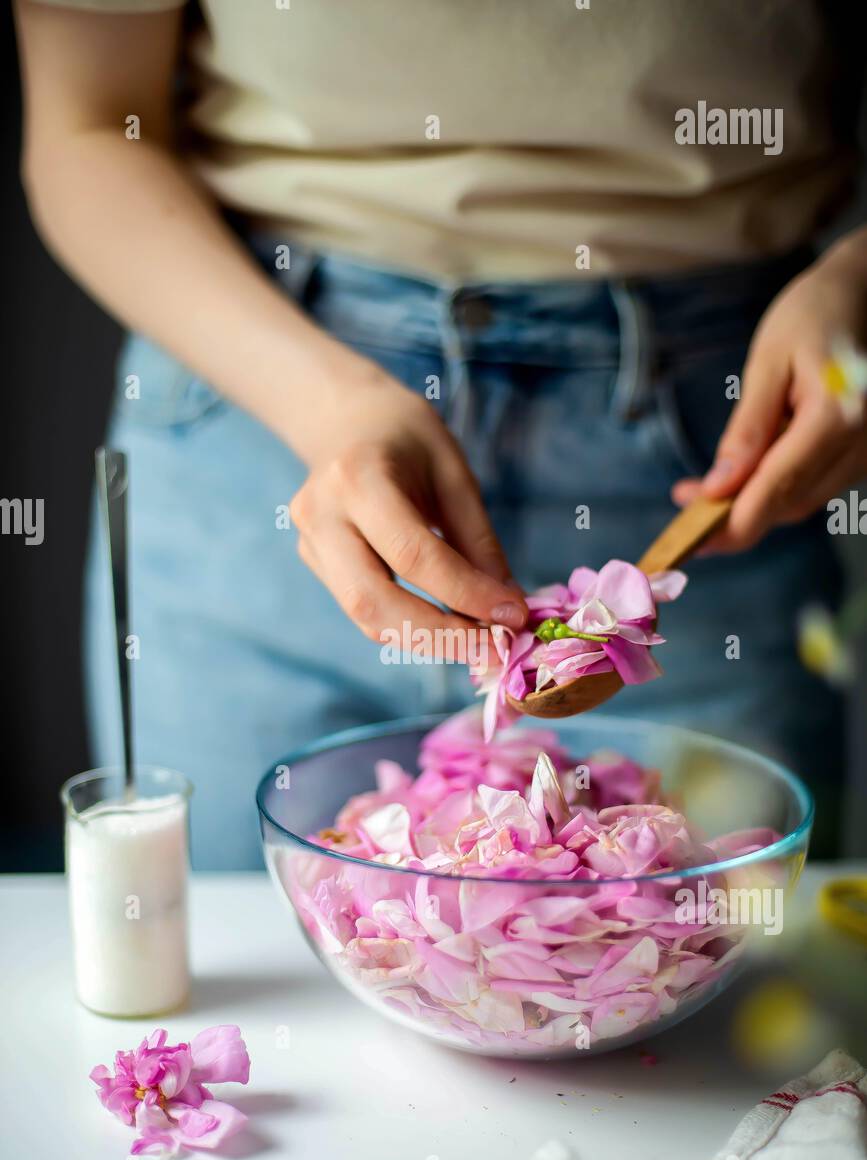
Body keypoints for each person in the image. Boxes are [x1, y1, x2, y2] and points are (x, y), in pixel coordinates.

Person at [15, 0, 866, 866]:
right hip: (256, 406)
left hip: (723, 398)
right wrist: (330, 408)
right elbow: (88, 123)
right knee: (235, 969)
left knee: (733, 972)